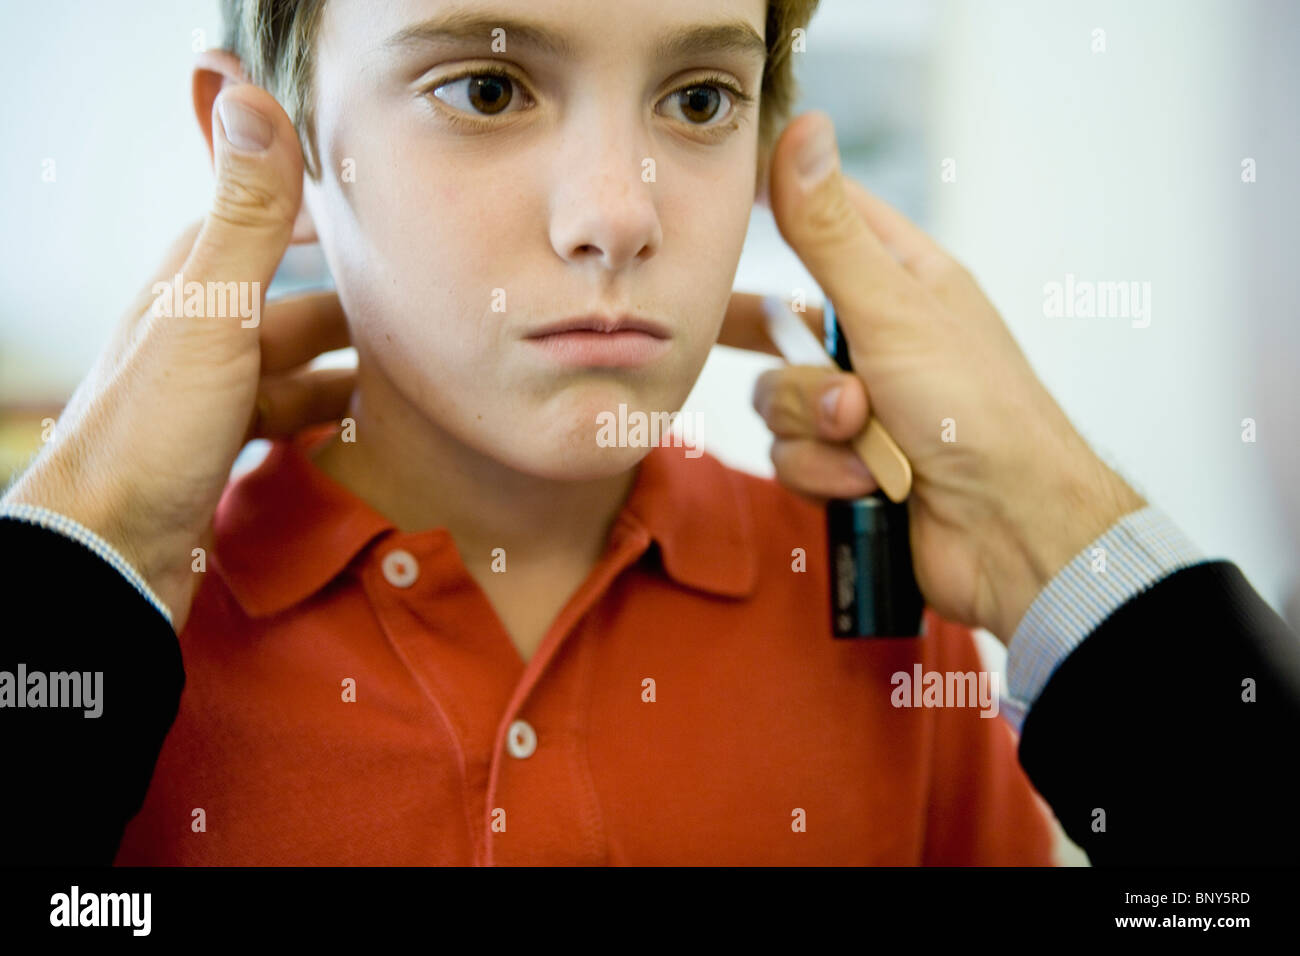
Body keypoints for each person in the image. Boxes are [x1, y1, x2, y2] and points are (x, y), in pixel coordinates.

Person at [2, 0, 1298, 866]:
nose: (619, 214)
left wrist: (1067, 539)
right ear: (261, 151)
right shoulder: (106, 683)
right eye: (489, 86)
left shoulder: (898, 640)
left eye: (695, 99)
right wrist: (85, 553)